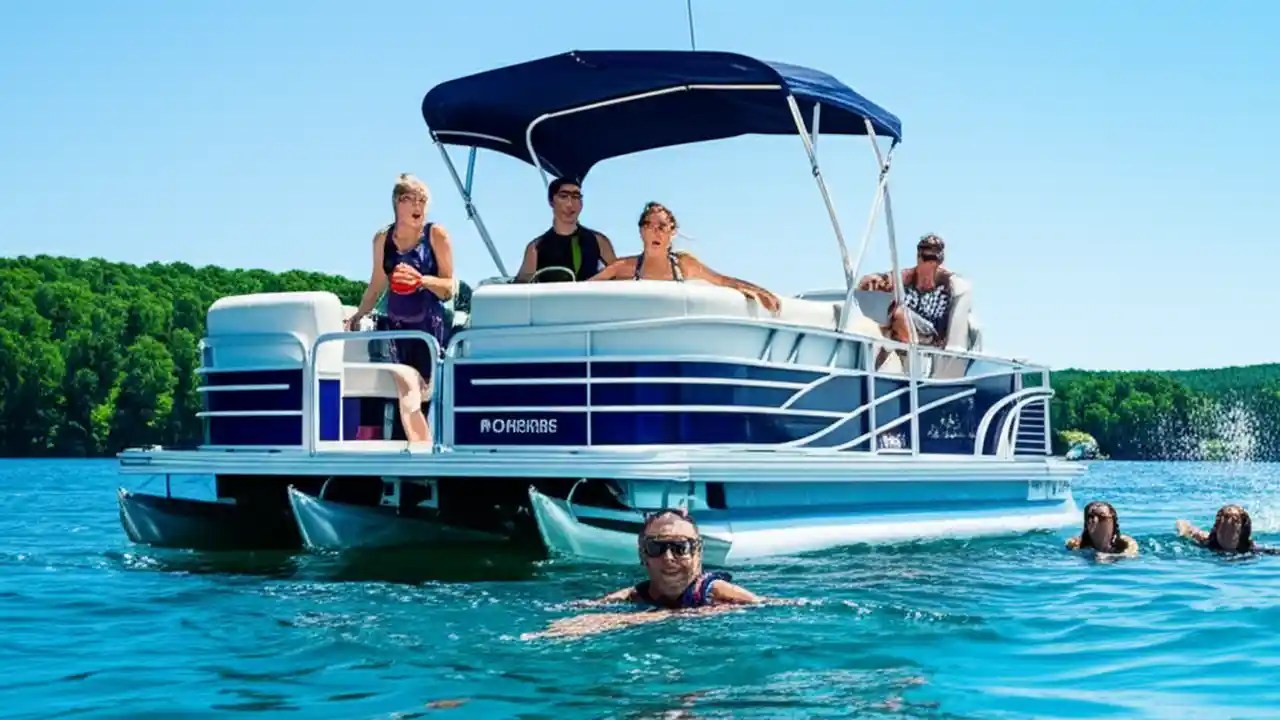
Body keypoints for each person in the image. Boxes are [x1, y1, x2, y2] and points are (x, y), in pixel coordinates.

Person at [521, 508, 761, 641]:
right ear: (643, 555)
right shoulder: (635, 596)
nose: (668, 557)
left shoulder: (716, 592)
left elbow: (766, 607)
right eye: (657, 548)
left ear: (698, 553)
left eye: (680, 547)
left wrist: (624, 621)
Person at [345, 174, 454, 442]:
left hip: (430, 328)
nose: (419, 206)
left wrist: (422, 280)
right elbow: (377, 285)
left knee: (422, 397)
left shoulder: (436, 235)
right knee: (405, 392)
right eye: (412, 199)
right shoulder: (382, 239)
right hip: (396, 328)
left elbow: (450, 287)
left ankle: (420, 456)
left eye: (423, 200)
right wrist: (358, 314)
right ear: (397, 202)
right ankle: (415, 456)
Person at [588, 201, 782, 314]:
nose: (655, 233)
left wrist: (760, 292)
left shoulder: (683, 264)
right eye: (649, 226)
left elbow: (722, 280)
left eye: (662, 227)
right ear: (641, 231)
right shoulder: (624, 267)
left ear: (672, 232)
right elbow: (584, 289)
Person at [856, 233, 954, 347]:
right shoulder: (907, 277)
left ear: (940, 261)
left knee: (899, 313)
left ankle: (911, 356)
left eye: (934, 259)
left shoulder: (948, 282)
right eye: (926, 258)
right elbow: (884, 279)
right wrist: (871, 281)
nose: (930, 263)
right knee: (888, 313)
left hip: (931, 337)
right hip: (902, 332)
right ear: (918, 257)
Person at [514, 177, 619, 282]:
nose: (570, 204)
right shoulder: (535, 248)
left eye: (576, 197)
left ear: (581, 204)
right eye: (563, 196)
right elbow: (522, 287)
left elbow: (619, 276)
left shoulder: (599, 241)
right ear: (551, 201)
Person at [1177, 504, 1277, 554]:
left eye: (1234, 520)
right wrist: (1182, 533)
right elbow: (1182, 523)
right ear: (1217, 527)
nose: (1228, 522)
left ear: (1241, 530)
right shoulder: (1206, 540)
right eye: (1223, 518)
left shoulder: (1250, 548)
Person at [1065, 501, 1138, 557]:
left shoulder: (1127, 544)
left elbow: (1130, 556)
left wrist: (1109, 557)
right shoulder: (1074, 544)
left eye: (1102, 517)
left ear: (1113, 522)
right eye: (1091, 517)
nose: (1095, 521)